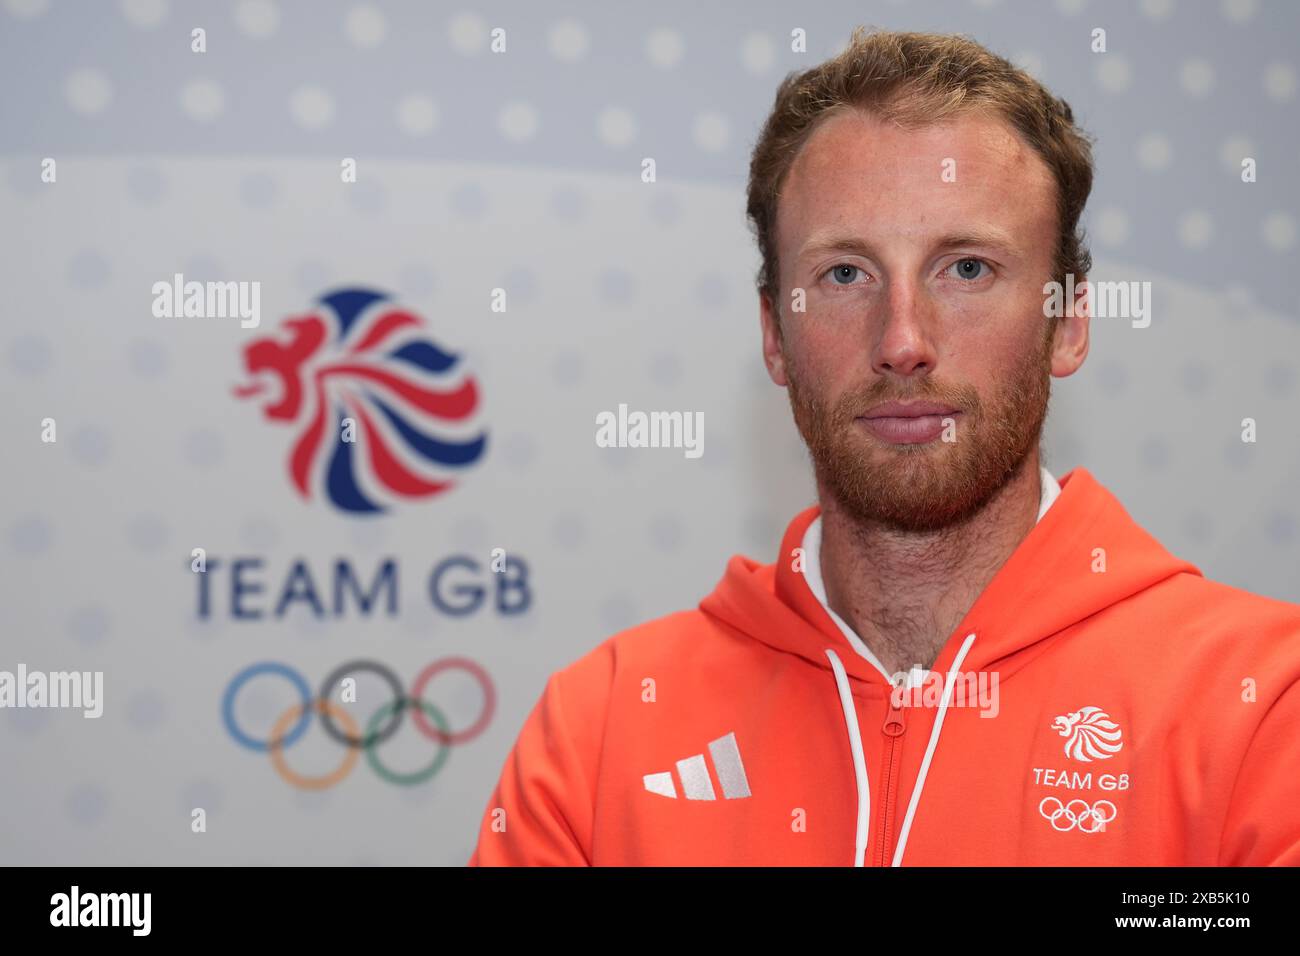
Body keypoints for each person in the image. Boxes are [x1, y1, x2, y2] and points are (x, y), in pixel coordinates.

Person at [469, 27, 1300, 866]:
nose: (902, 341)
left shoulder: (1263, 708)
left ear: (1069, 321)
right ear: (773, 334)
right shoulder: (601, 731)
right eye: (845, 275)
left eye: (967, 269)